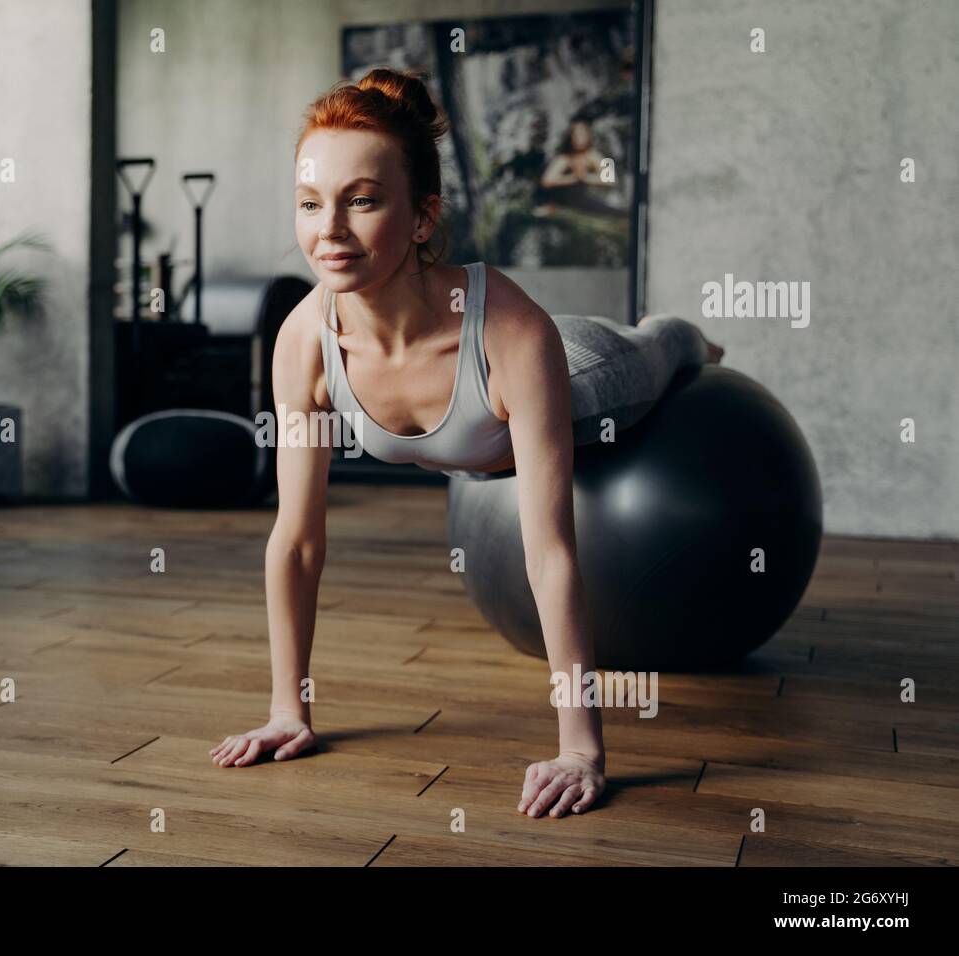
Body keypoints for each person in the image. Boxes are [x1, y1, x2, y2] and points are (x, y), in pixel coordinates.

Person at [210, 68, 723, 819]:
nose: (330, 231)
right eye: (311, 203)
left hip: (579, 378)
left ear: (422, 218)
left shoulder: (511, 331)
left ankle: (688, 336)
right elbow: (296, 541)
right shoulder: (304, 343)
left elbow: (549, 551)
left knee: (656, 348)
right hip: (484, 437)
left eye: (363, 200)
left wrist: (580, 746)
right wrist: (290, 708)